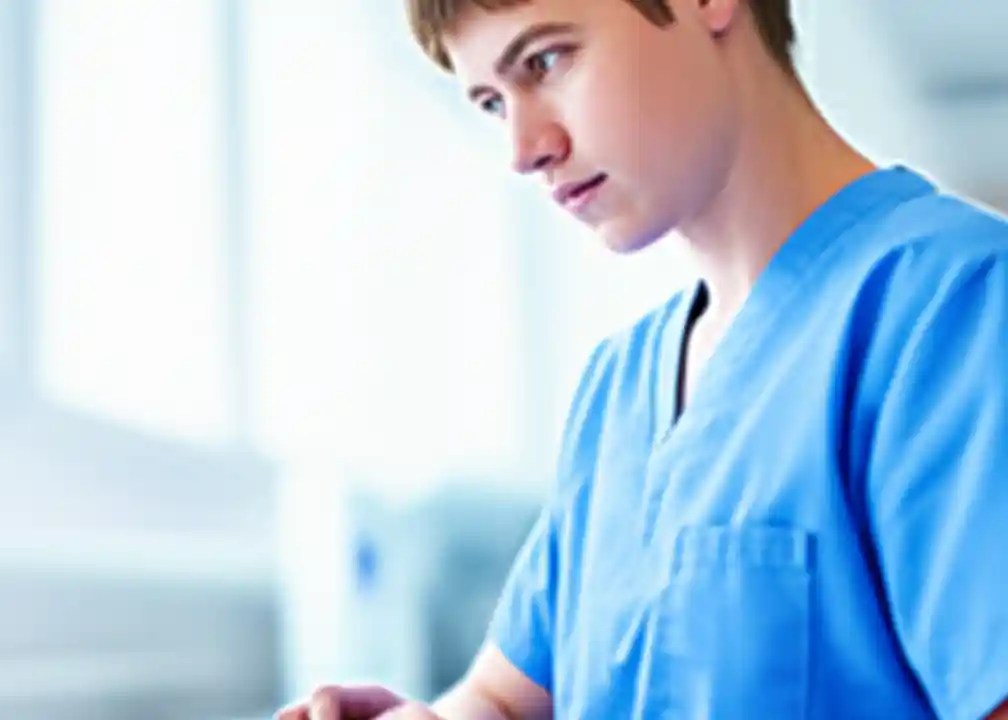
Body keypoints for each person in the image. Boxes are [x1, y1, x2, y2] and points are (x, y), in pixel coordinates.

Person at [277, 0, 1008, 717]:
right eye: (493, 104)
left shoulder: (958, 308)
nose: (524, 148)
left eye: (545, 61)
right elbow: (506, 696)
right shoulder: (618, 387)